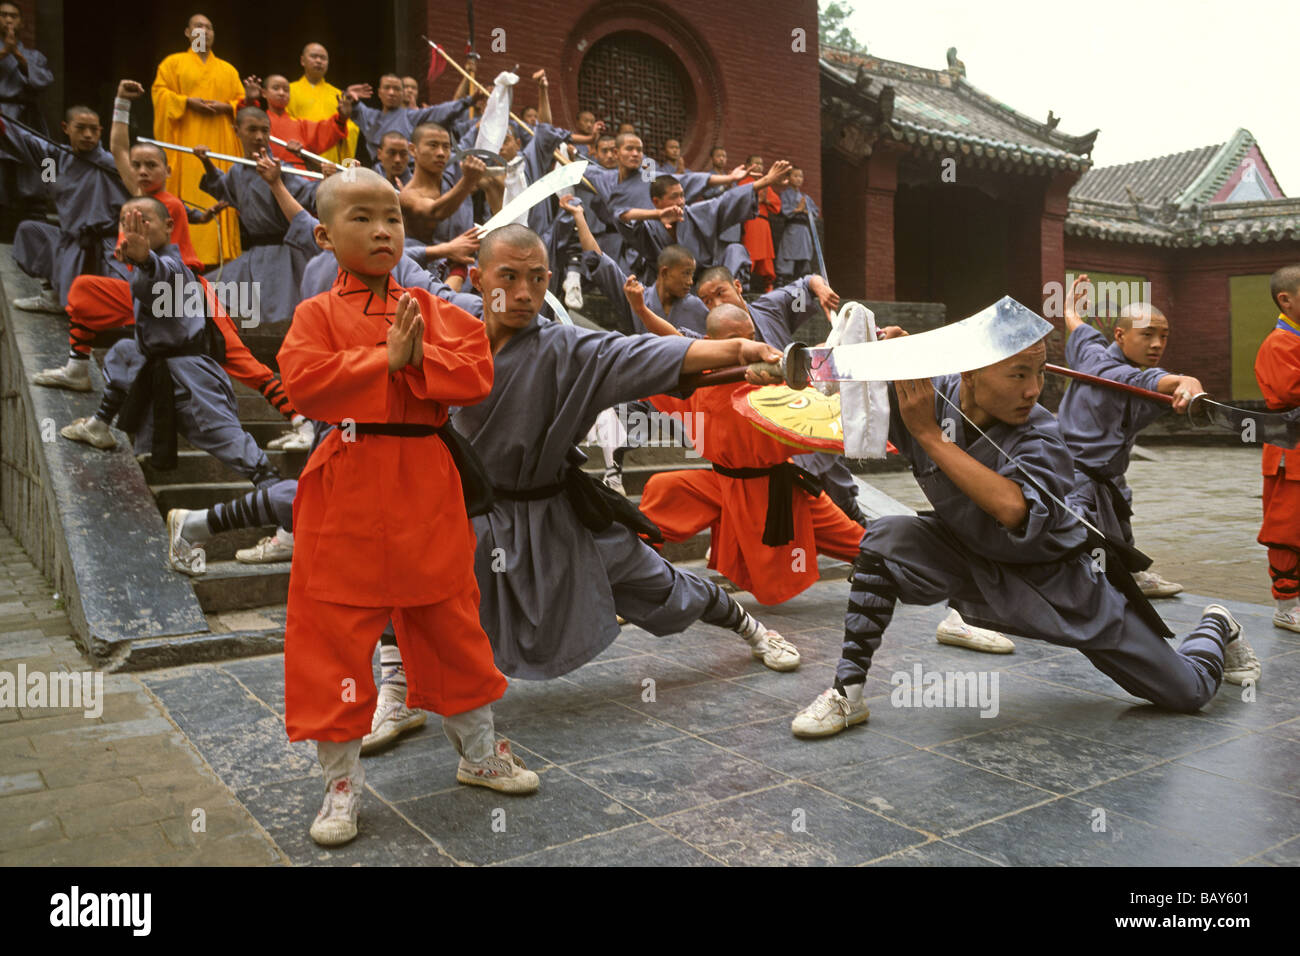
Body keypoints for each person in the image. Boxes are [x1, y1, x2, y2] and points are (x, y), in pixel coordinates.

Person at [791, 333, 1261, 738]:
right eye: (1018, 374)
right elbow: (843, 385)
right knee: (884, 539)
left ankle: (1218, 623)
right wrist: (784, 367)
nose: (1033, 390)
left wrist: (931, 437)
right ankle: (847, 691)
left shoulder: (1043, 433)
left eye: (1039, 373)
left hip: (1061, 580)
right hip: (969, 554)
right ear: (971, 372)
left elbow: (1014, 510)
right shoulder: (931, 396)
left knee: (1186, 693)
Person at [277, 168, 537, 848]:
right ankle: (340, 784)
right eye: (361, 217)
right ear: (324, 234)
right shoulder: (314, 314)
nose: (383, 229)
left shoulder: (432, 303)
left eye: (392, 216)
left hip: (424, 476)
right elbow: (303, 384)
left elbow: (476, 371)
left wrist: (414, 360)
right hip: (349, 478)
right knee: (331, 631)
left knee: (450, 615)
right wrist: (380, 362)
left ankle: (480, 754)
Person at [451, 224, 802, 680]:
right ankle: (398, 691)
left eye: (537, 279)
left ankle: (749, 626)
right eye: (508, 277)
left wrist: (736, 349)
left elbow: (638, 352)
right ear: (478, 281)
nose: (523, 292)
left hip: (558, 512)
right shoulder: (449, 334)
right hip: (475, 516)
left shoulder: (567, 348)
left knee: (656, 581)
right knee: (415, 584)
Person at [637, 302, 867, 604]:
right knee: (665, 492)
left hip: (777, 491)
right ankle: (636, 580)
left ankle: (894, 568)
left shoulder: (769, 377)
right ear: (710, 344)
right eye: (735, 339)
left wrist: (859, 346)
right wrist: (639, 308)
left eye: (749, 337)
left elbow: (812, 370)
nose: (744, 345)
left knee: (856, 542)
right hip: (722, 484)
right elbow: (673, 343)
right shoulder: (697, 377)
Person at [59, 196, 280, 499]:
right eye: (126, 222)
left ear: (169, 226)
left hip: (190, 379)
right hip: (159, 366)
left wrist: (146, 260)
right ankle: (100, 424)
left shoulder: (174, 267)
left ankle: (275, 489)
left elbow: (161, 275)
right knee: (125, 353)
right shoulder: (145, 267)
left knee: (224, 438)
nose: (134, 228)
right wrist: (142, 262)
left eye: (143, 220)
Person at [1059, 274, 1202, 598]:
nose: (1157, 344)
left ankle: (1129, 574)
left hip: (1108, 476)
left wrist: (1070, 306)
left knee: (1120, 525)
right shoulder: (1117, 374)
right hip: (1076, 477)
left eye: (1164, 336)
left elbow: (1076, 325)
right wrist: (1186, 380)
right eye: (1147, 334)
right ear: (1121, 335)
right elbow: (1149, 381)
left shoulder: (1089, 351)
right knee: (1081, 540)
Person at [194, 106, 319, 326]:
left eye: (264, 130)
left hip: (286, 253)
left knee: (283, 316)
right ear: (237, 131)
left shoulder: (283, 170)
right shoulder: (237, 171)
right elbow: (222, 189)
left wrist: (317, 168)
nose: (259, 137)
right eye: (252, 129)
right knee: (204, 291)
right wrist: (206, 162)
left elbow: (312, 195)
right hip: (254, 255)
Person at [3, 104, 130, 313]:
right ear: (66, 128)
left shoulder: (111, 164)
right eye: (80, 128)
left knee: (87, 302)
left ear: (101, 131)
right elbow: (28, 143)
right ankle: (50, 293)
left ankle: (68, 297)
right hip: (69, 237)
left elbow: (148, 190)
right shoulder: (55, 160)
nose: (88, 135)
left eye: (93, 129)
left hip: (105, 245)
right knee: (29, 231)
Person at [150, 13, 242, 266]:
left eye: (209, 27)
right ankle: (184, 256)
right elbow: (159, 94)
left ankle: (220, 257)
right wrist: (186, 102)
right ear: (187, 33)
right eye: (198, 26)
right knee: (188, 192)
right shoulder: (173, 64)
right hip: (185, 143)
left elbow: (241, 104)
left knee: (218, 192)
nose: (204, 31)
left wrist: (228, 108)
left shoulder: (228, 70)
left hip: (219, 143)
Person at [617, 163, 790, 284]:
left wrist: (766, 181)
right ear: (656, 201)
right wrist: (657, 215)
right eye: (674, 197)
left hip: (702, 283)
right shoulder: (647, 226)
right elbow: (622, 217)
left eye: (682, 195)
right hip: (663, 287)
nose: (681, 202)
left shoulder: (695, 213)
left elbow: (725, 201)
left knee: (736, 251)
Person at [1254, 264, 1300, 633]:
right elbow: (1289, 391)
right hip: (1291, 451)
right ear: (1286, 298)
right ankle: (1286, 605)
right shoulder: (1279, 343)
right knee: (1287, 529)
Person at [0, 1, 54, 213]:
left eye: (13, 16)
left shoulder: (33, 55)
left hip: (25, 114)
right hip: (2, 113)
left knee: (43, 157)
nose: (9, 20)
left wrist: (18, 55)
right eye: (3, 15)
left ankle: (37, 201)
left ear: (21, 22)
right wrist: (5, 52)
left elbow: (44, 81)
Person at [239, 74, 356, 168]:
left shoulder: (301, 125)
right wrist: (249, 101)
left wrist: (342, 118)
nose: (281, 93)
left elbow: (327, 130)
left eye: (286, 90)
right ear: (264, 93)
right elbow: (243, 122)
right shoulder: (258, 121)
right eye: (276, 88)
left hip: (299, 178)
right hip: (265, 170)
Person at [348, 74, 479, 158]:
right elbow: (349, 108)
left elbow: (439, 111)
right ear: (379, 92)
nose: (392, 93)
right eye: (387, 88)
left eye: (397, 89)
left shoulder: (411, 116)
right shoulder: (369, 116)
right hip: (379, 177)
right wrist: (348, 96)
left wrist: (468, 101)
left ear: (401, 93)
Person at [288, 42, 360, 165]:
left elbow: (349, 127)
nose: (319, 61)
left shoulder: (337, 93)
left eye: (323, 58)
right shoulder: (289, 90)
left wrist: (346, 124)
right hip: (301, 155)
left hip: (331, 158)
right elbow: (286, 124)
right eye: (314, 56)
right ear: (302, 60)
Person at [738, 155, 782, 293]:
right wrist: (757, 198)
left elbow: (776, 204)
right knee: (751, 253)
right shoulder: (744, 181)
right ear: (747, 166)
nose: (759, 166)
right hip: (751, 222)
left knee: (767, 257)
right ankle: (744, 284)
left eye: (761, 163)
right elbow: (740, 199)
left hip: (764, 223)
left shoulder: (765, 183)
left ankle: (769, 285)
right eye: (756, 163)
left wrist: (766, 201)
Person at [775, 166, 819, 284]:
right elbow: (782, 210)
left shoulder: (805, 197)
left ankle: (801, 283)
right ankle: (784, 280)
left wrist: (806, 211)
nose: (799, 179)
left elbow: (815, 212)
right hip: (792, 229)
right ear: (788, 178)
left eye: (800, 176)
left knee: (804, 262)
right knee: (788, 257)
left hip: (804, 231)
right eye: (795, 176)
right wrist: (798, 209)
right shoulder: (784, 195)